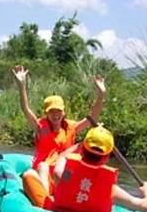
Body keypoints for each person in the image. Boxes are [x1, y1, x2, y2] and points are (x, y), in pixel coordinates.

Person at [12, 65, 106, 195]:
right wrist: (22, 87)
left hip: (62, 174)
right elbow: (25, 109)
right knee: (43, 166)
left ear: (63, 112)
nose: (55, 115)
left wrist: (101, 96)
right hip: (43, 174)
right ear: (46, 113)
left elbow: (92, 118)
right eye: (52, 111)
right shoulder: (40, 127)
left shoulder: (71, 127)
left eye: (58, 111)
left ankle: (69, 199)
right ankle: (44, 202)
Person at [23, 126, 147, 212]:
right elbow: (145, 206)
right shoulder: (111, 189)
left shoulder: (63, 169)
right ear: (107, 156)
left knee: (29, 174)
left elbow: (61, 158)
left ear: (83, 150)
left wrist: (78, 146)